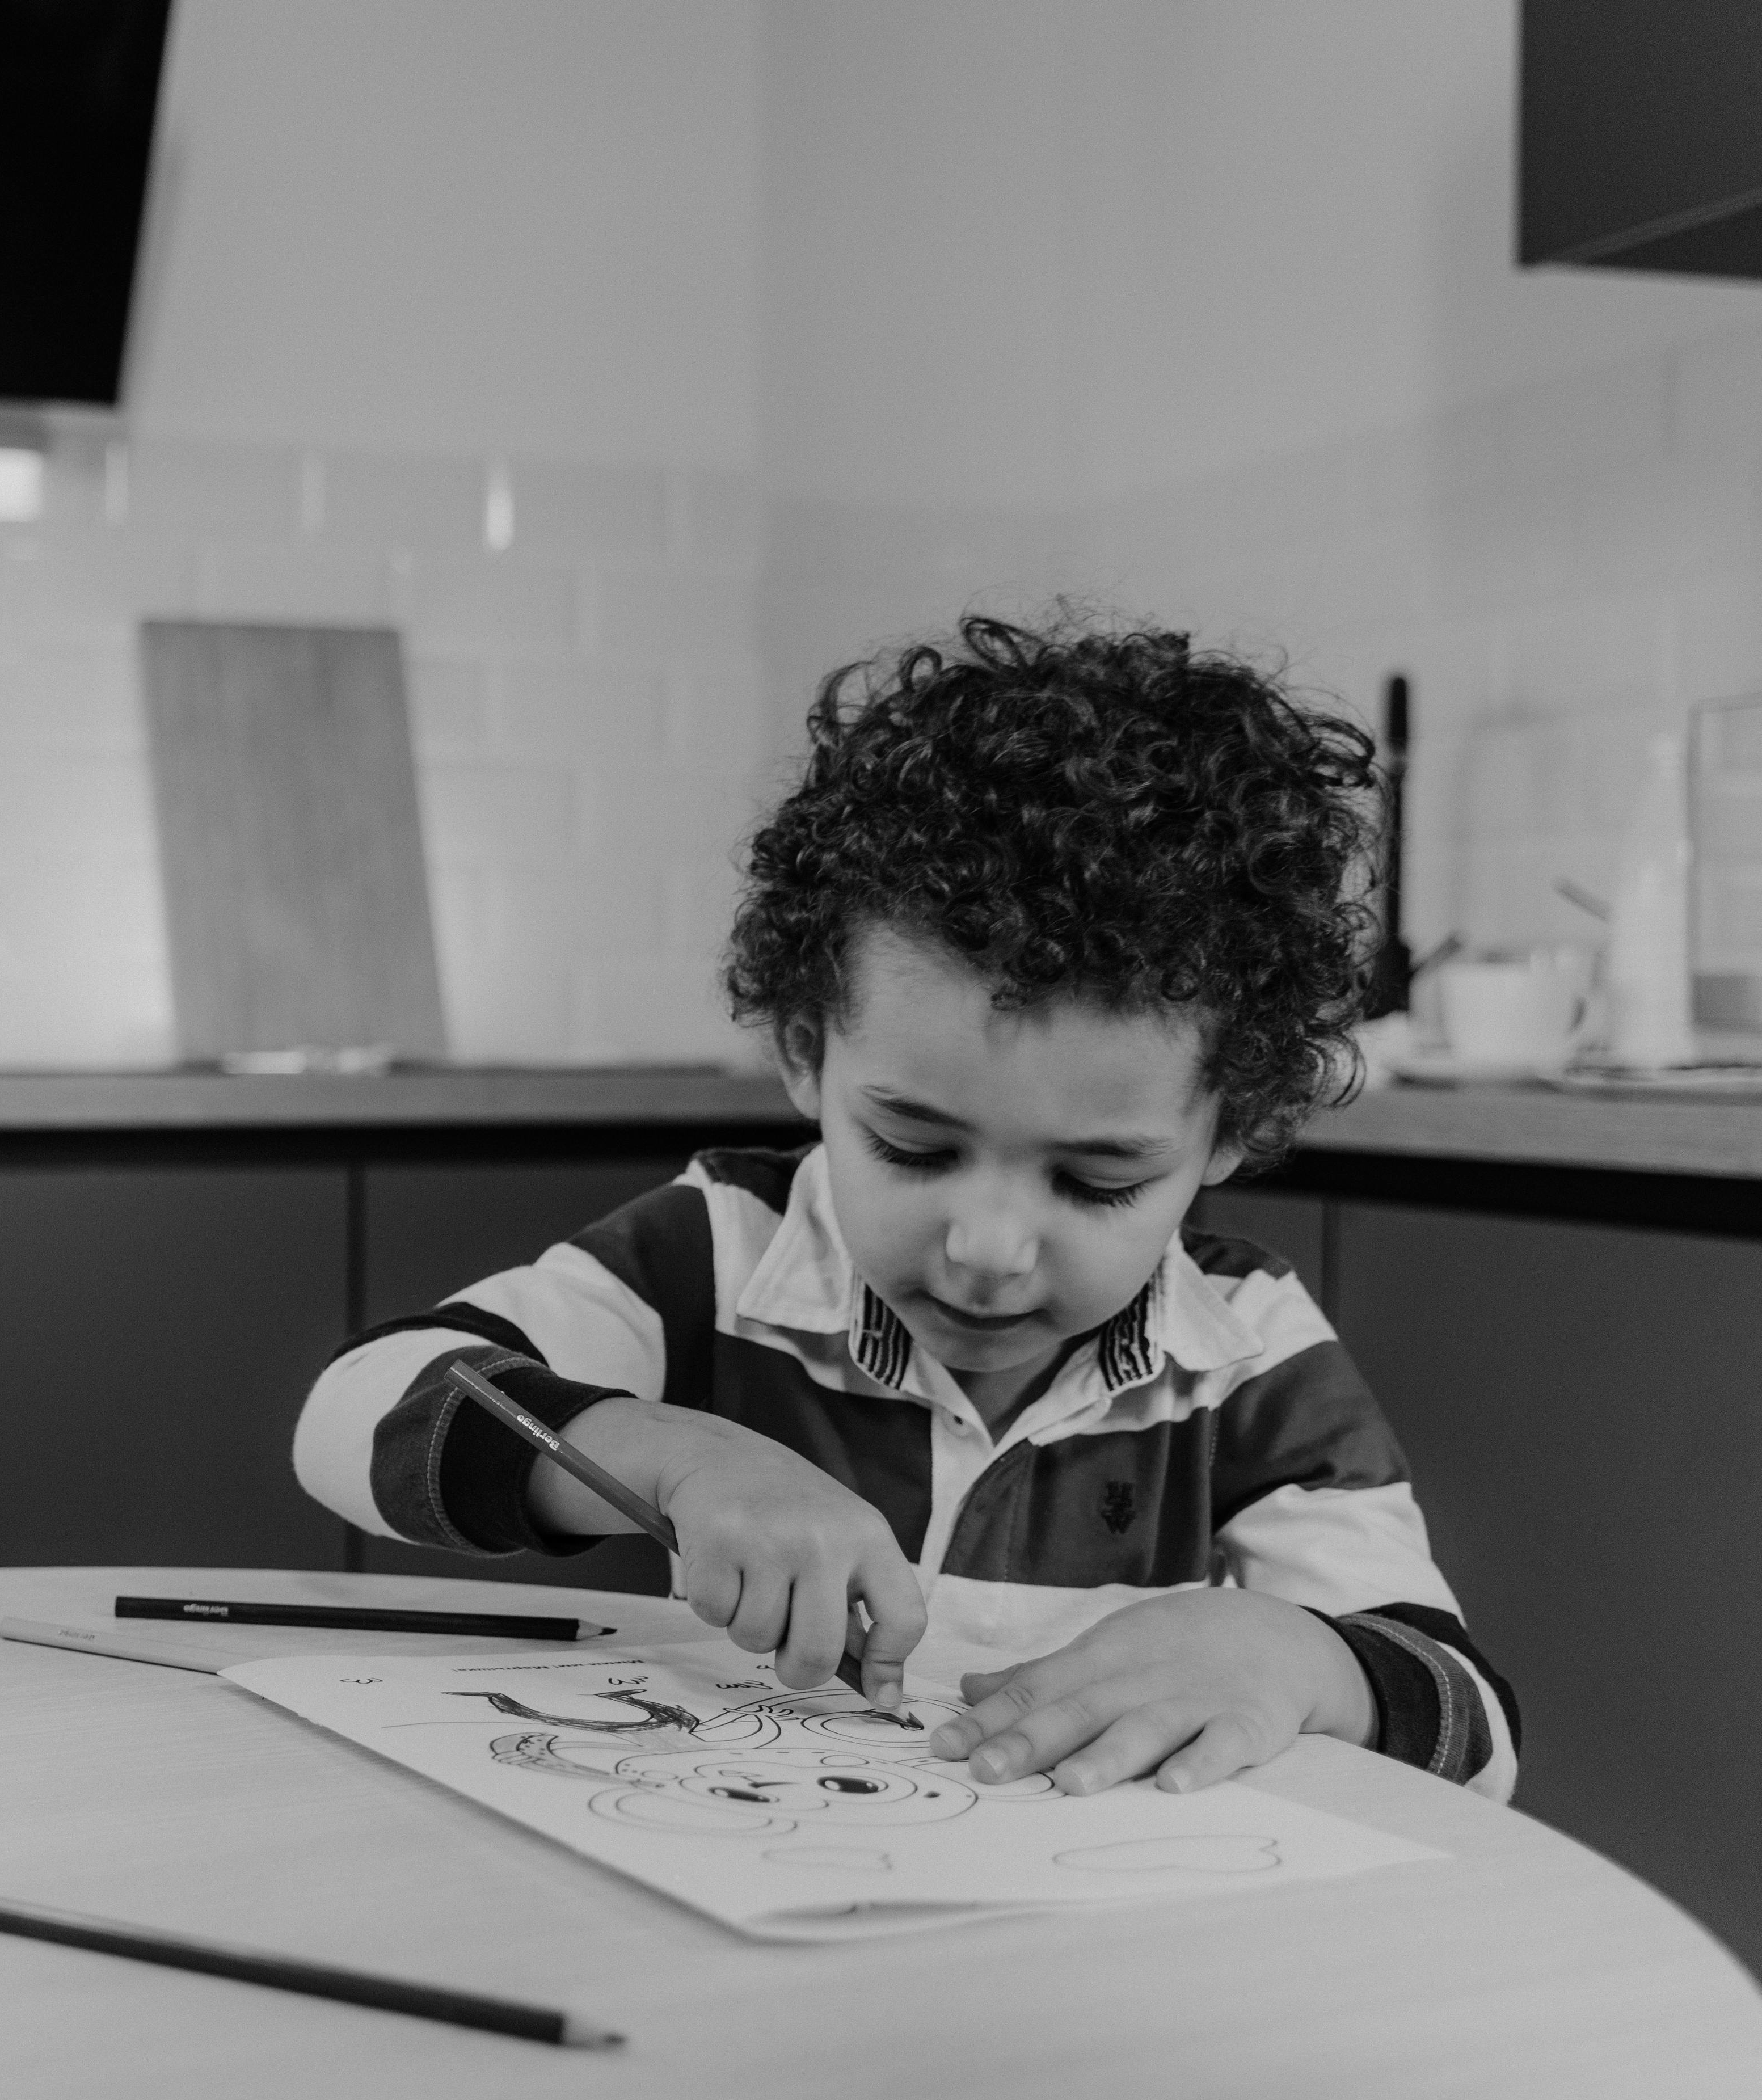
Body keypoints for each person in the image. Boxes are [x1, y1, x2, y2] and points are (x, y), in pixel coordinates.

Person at [295, 613, 1516, 1800]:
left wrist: (1298, 1661)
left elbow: (1474, 1730)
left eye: (1096, 1182)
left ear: (1231, 1129)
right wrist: (665, 1456)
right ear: (802, 1051)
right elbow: (352, 1414)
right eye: (912, 1146)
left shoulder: (1248, 1354)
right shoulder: (718, 1252)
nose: (988, 1251)